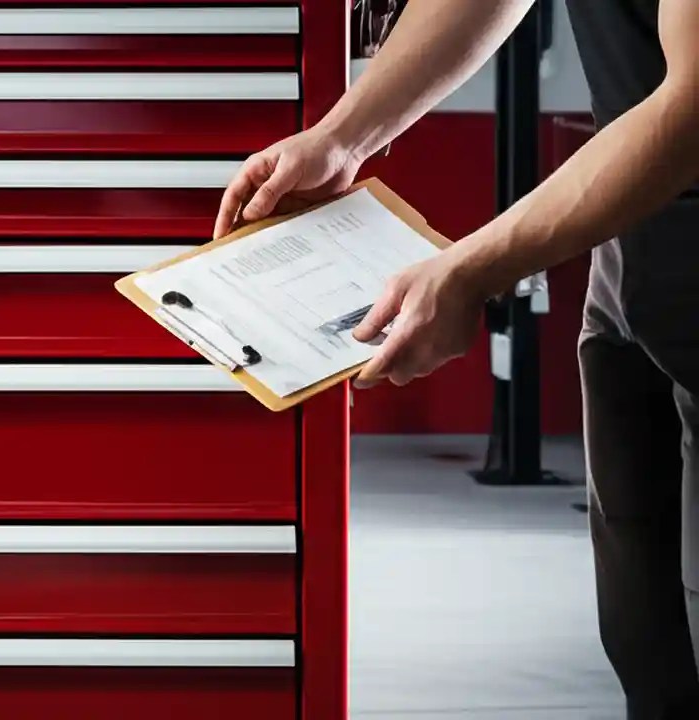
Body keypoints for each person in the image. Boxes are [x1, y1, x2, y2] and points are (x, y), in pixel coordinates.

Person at [214, 0, 699, 717]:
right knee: (647, 650)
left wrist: (473, 268)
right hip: (632, 265)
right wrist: (345, 137)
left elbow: (692, 114)